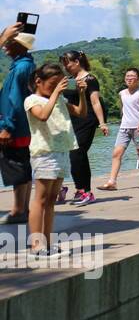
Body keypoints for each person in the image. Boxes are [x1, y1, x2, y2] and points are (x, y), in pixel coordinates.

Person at [25, 62, 87, 256]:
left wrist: (81, 93)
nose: (56, 88)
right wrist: (55, 94)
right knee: (40, 198)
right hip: (44, 153)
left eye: (59, 84)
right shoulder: (32, 100)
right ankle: (36, 244)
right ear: (38, 81)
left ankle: (48, 241)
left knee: (52, 199)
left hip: (62, 151)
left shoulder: (57, 99)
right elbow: (42, 116)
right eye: (52, 84)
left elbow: (81, 112)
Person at [58, 51, 107, 206]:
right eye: (64, 63)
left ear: (77, 62)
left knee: (77, 153)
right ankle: (80, 190)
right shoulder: (69, 80)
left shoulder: (90, 79)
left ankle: (86, 191)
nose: (65, 66)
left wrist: (102, 123)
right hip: (72, 121)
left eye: (67, 63)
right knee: (75, 155)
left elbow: (95, 102)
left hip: (88, 119)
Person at [0, 23, 36, 226]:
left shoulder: (20, 68)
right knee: (23, 165)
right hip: (23, 126)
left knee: (15, 165)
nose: (5, 47)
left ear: (20, 46)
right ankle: (23, 207)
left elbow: (15, 99)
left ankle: (18, 209)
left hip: (14, 126)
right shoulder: (26, 65)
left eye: (9, 43)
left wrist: (7, 127)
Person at [101, 67, 139, 193]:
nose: (129, 78)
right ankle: (112, 181)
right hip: (124, 128)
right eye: (127, 76)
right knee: (116, 153)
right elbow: (123, 110)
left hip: (138, 128)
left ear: (138, 79)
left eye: (132, 76)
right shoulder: (122, 93)